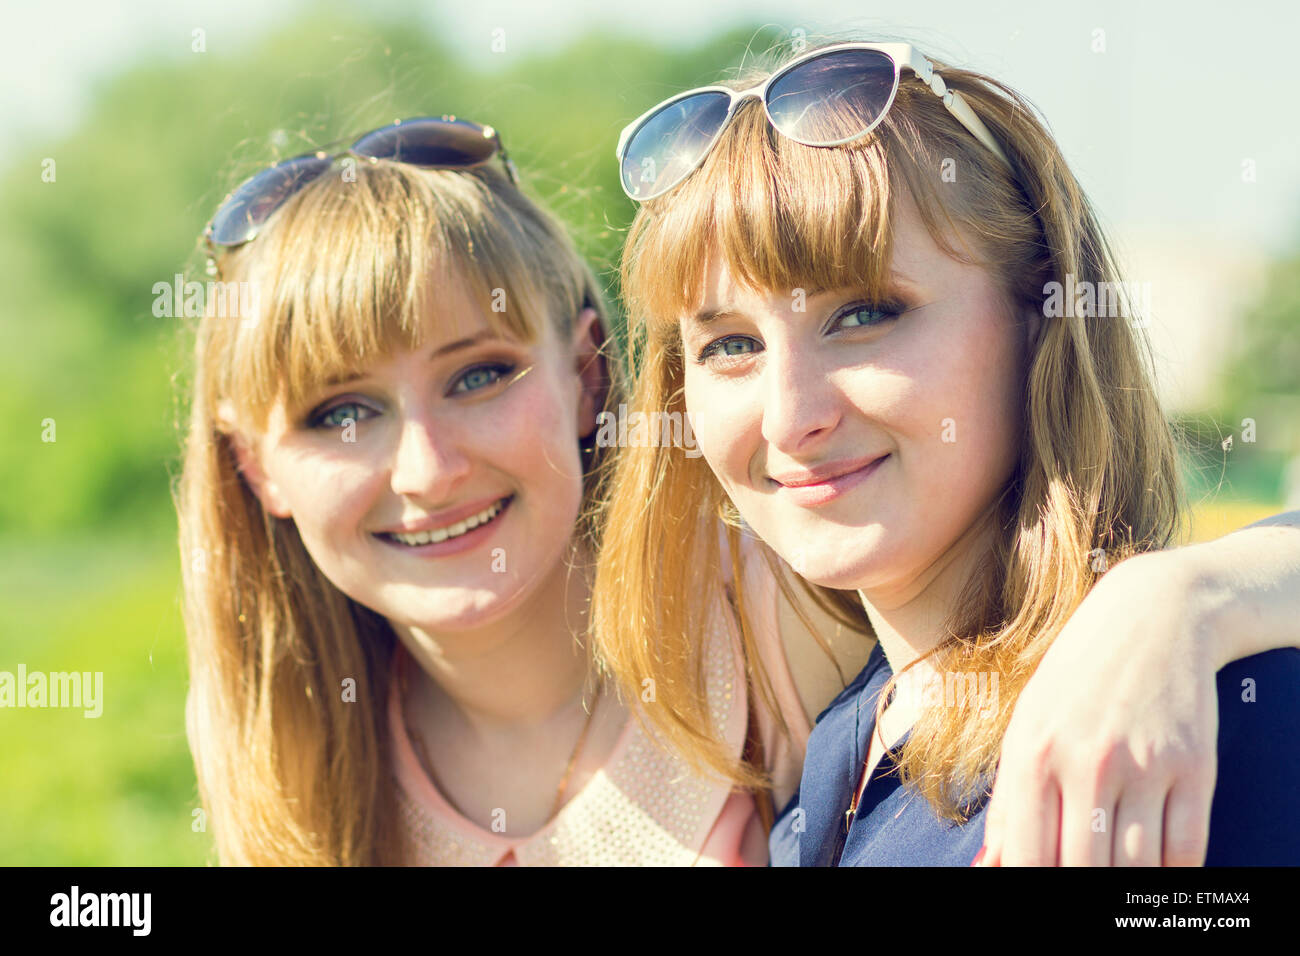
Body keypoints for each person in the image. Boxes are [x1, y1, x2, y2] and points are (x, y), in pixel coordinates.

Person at [597, 38, 1300, 865]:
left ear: (1038, 315)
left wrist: (1192, 598)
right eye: (729, 346)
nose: (790, 419)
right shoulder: (834, 754)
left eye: (864, 314)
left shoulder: (1187, 728)